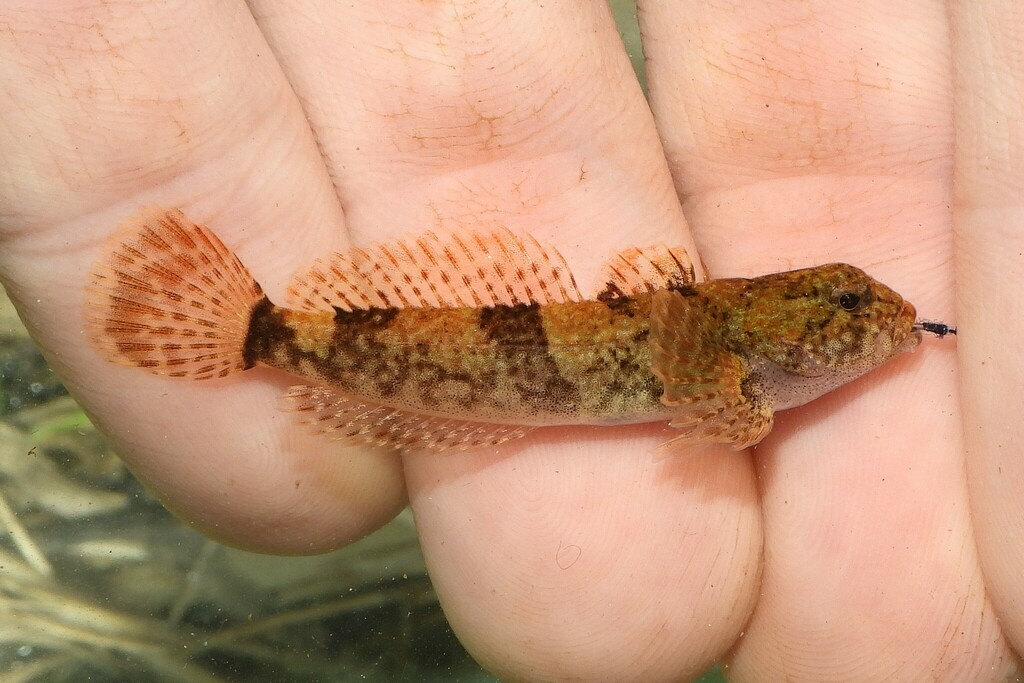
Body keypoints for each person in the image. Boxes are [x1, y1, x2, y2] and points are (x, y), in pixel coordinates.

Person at [0, 2, 1019, 681]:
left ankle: (261, 332)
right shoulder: (726, 371)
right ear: (779, 332)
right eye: (848, 310)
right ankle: (252, 330)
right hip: (434, 343)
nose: (873, 318)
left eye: (855, 306)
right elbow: (712, 402)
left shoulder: (728, 344)